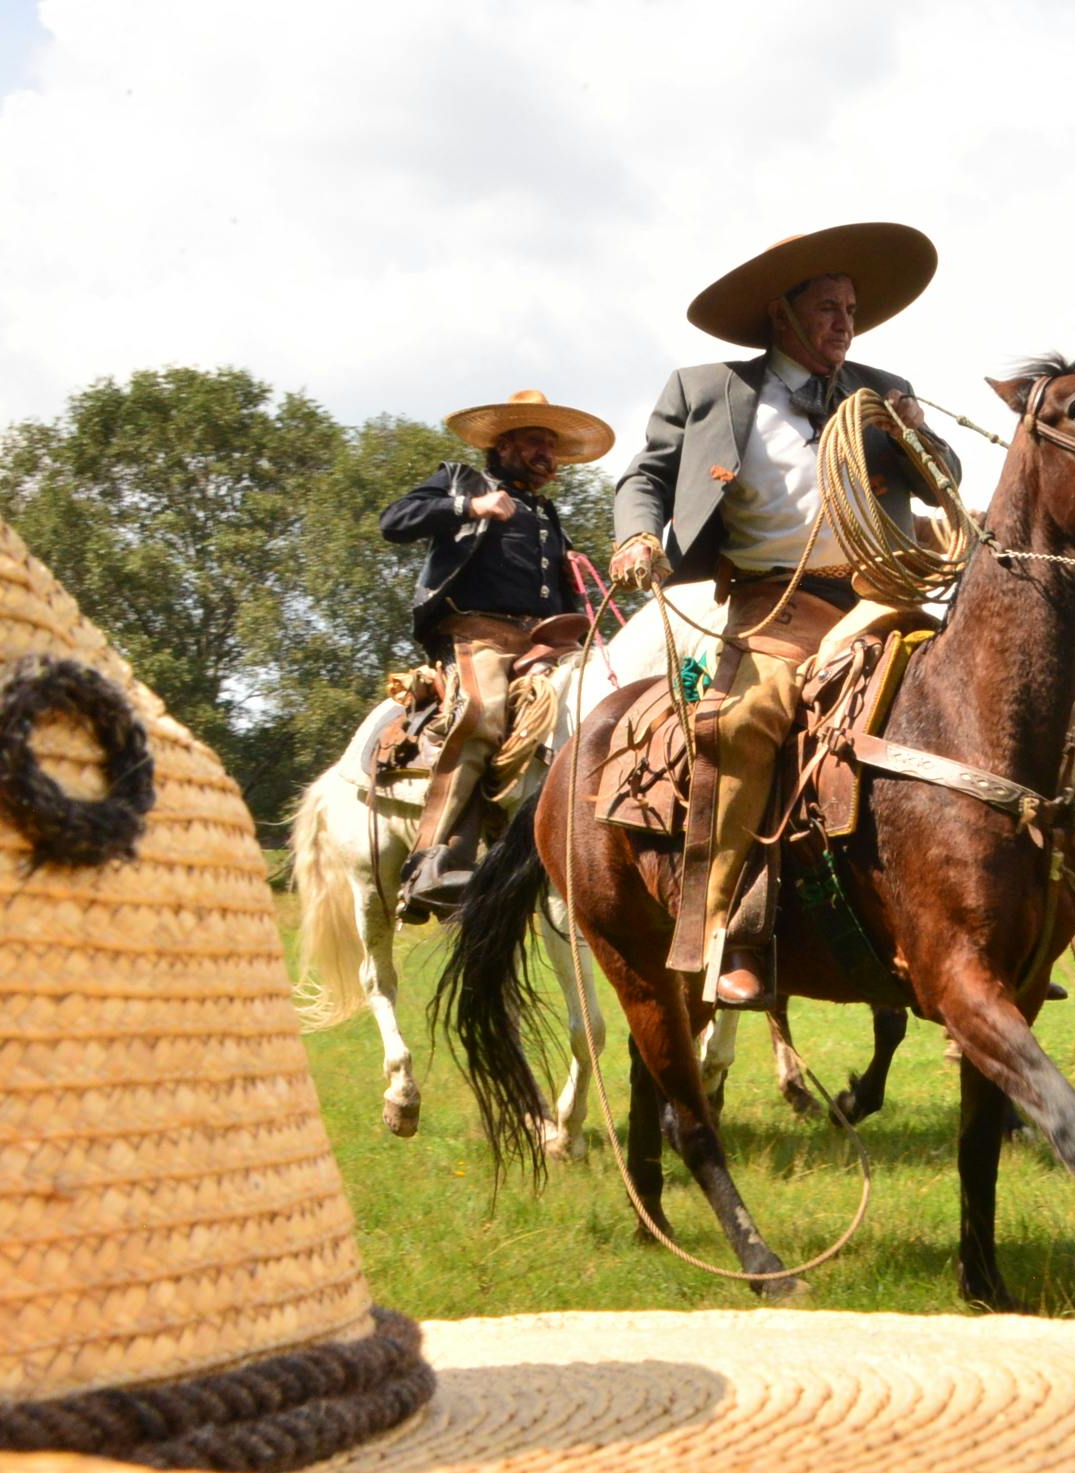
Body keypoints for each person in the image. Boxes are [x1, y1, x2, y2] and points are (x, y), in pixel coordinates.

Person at [610, 223, 960, 1008]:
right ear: (781, 312)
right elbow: (648, 476)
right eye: (829, 307)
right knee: (742, 723)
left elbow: (947, 480)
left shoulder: (880, 389)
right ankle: (730, 928)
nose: (845, 323)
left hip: (883, 593)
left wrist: (917, 434)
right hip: (776, 602)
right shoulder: (705, 390)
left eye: (852, 309)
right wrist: (637, 536)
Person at [381, 388, 614, 918]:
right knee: (483, 718)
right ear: (504, 444)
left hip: (545, 642)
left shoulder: (547, 514)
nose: (547, 456)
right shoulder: (463, 481)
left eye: (553, 448)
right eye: (537, 442)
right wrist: (470, 506)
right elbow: (394, 520)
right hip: (479, 633)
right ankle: (428, 862)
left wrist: (569, 573)